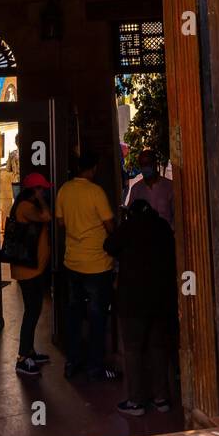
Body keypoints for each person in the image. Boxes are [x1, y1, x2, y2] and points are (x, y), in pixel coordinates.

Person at [104, 199, 177, 416]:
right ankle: (162, 398)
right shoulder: (162, 227)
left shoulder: (129, 227)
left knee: (133, 350)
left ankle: (136, 401)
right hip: (161, 299)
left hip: (133, 300)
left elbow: (109, 246)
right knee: (158, 348)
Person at [55, 150, 119, 382]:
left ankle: (72, 362)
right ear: (93, 168)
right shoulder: (96, 192)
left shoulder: (64, 190)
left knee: (74, 316)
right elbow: (110, 227)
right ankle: (95, 366)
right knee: (97, 317)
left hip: (72, 262)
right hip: (97, 265)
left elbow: (61, 222)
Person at [10, 171, 52, 377]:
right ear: (33, 190)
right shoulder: (26, 207)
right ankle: (22, 358)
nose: (43, 192)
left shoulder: (26, 206)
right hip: (28, 270)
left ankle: (30, 351)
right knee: (32, 311)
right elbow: (47, 216)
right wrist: (41, 200)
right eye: (40, 189)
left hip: (33, 269)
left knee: (34, 310)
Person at [124, 147, 174, 226]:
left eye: (148, 164)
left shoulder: (169, 186)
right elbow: (131, 214)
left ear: (155, 163)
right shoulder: (136, 189)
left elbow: (176, 215)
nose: (145, 167)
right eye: (142, 165)